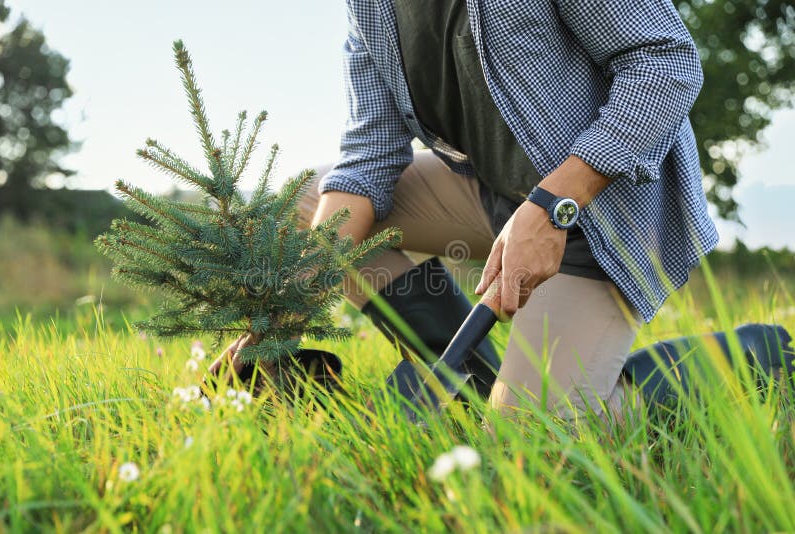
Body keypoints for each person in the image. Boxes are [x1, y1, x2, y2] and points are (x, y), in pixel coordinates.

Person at [210, 0, 718, 419]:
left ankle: (732, 363)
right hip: (494, 195)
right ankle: (470, 384)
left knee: (526, 441)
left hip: (605, 214)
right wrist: (291, 303)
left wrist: (553, 205)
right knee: (313, 198)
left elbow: (665, 62)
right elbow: (368, 157)